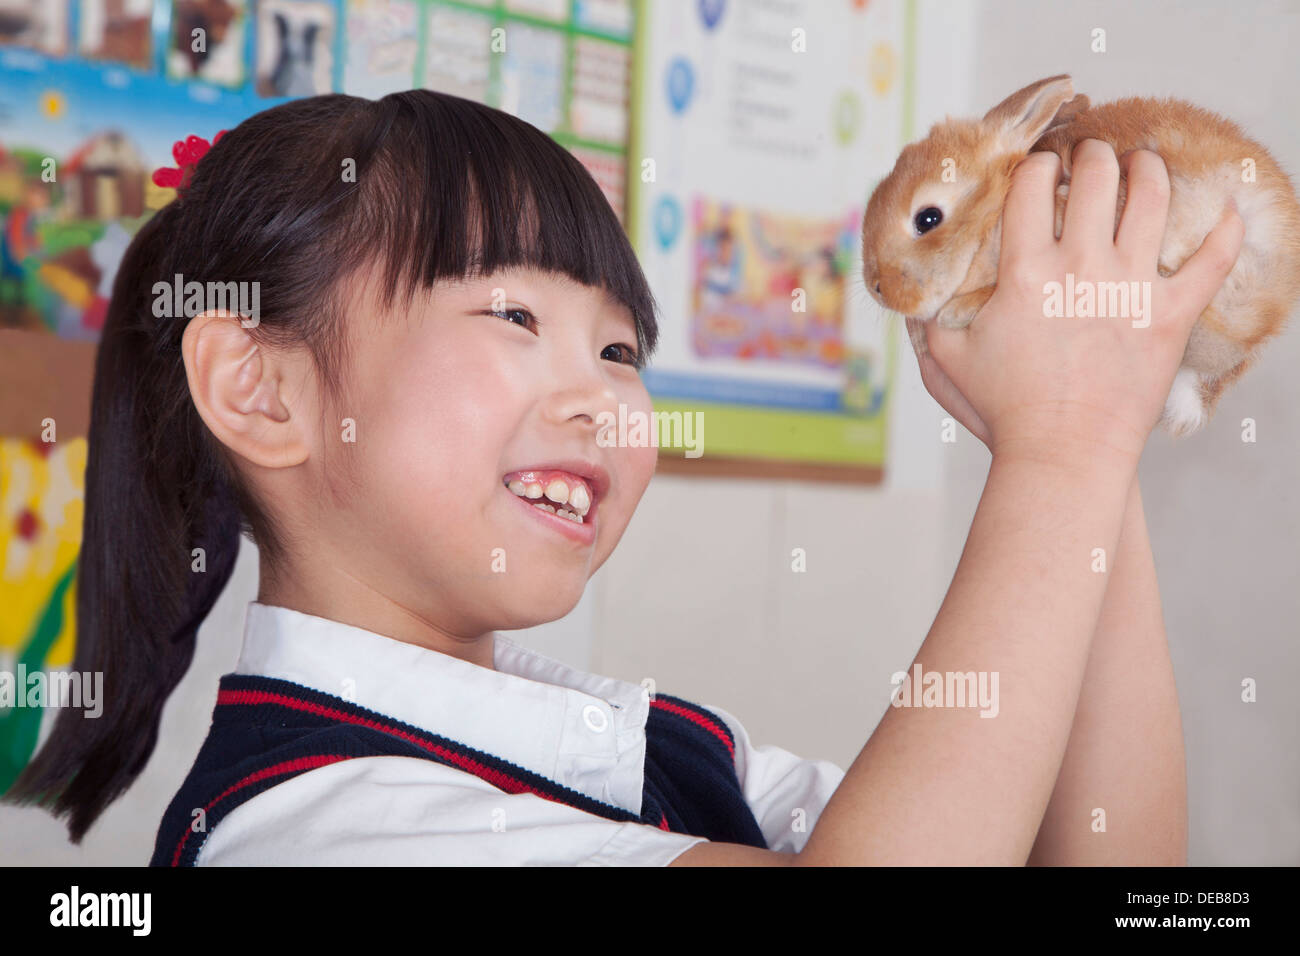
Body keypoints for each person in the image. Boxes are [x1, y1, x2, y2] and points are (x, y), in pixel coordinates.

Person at [3, 90, 1243, 865]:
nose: (601, 394)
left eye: (618, 347)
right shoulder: (307, 826)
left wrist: (1101, 430)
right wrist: (1059, 443)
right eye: (511, 314)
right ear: (264, 391)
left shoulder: (666, 747)